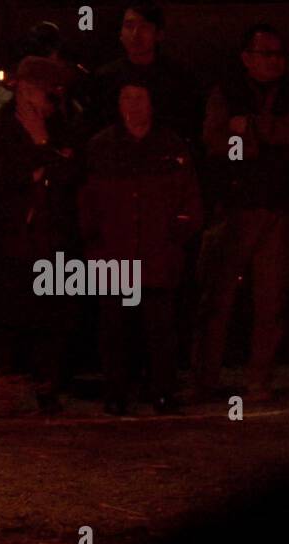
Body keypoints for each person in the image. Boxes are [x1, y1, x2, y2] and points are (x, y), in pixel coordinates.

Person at [193, 23, 289, 402]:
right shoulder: (225, 90)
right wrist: (255, 141)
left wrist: (251, 129)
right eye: (266, 54)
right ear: (247, 58)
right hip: (235, 208)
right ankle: (205, 380)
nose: (274, 61)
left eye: (279, 54)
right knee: (217, 300)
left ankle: (258, 380)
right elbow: (216, 142)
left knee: (272, 301)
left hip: (280, 209)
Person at [79, 79, 202, 415]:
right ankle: (116, 392)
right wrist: (95, 241)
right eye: (126, 98)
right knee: (113, 330)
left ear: (151, 104)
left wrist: (176, 235)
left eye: (139, 98)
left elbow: (188, 196)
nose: (133, 105)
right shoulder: (101, 146)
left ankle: (162, 390)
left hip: (157, 253)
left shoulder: (170, 144)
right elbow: (88, 200)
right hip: (114, 253)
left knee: (160, 329)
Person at [0, 56, 80, 414]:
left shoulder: (64, 126)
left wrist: (42, 147)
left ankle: (47, 387)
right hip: (12, 240)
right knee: (9, 315)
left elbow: (66, 176)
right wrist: (36, 169)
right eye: (24, 87)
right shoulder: (1, 128)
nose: (27, 95)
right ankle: (5, 390)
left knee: (51, 318)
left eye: (36, 89)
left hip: (52, 239)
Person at [85, 2, 202, 147]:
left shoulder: (178, 77)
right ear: (120, 34)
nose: (136, 34)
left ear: (159, 34)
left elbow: (190, 127)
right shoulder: (105, 78)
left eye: (144, 27)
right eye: (129, 26)